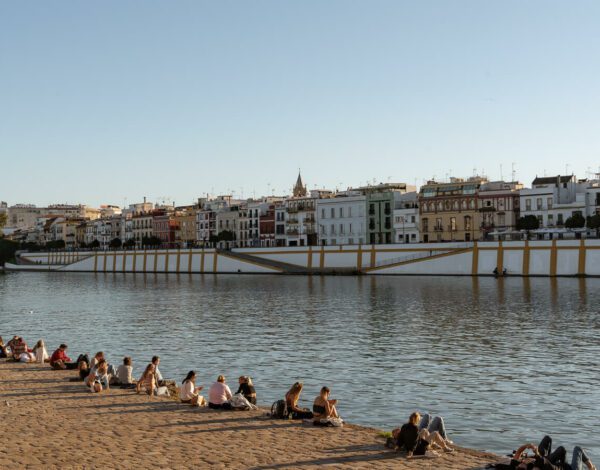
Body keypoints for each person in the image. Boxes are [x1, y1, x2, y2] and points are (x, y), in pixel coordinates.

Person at [492, 436, 596, 470]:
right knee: (577, 449)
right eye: (524, 462)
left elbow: (518, 452)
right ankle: (591, 467)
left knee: (561, 451)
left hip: (562, 465)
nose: (523, 461)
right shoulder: (542, 464)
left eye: (522, 462)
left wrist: (526, 446)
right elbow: (538, 456)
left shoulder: (518, 465)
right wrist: (534, 451)